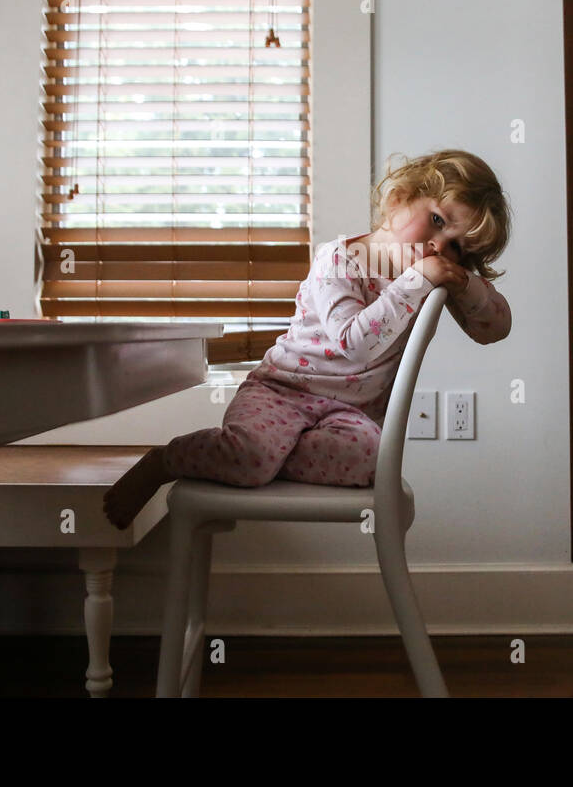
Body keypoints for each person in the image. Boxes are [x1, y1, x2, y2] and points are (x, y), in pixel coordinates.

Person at [103, 148, 512, 529]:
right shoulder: (339, 260)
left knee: (372, 459)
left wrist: (463, 283)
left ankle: (266, 453)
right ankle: (166, 461)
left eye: (457, 247)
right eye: (437, 220)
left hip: (346, 414)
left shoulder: (430, 275)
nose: (438, 245)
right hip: (282, 391)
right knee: (251, 457)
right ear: (399, 199)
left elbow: (495, 329)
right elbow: (354, 345)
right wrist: (416, 282)